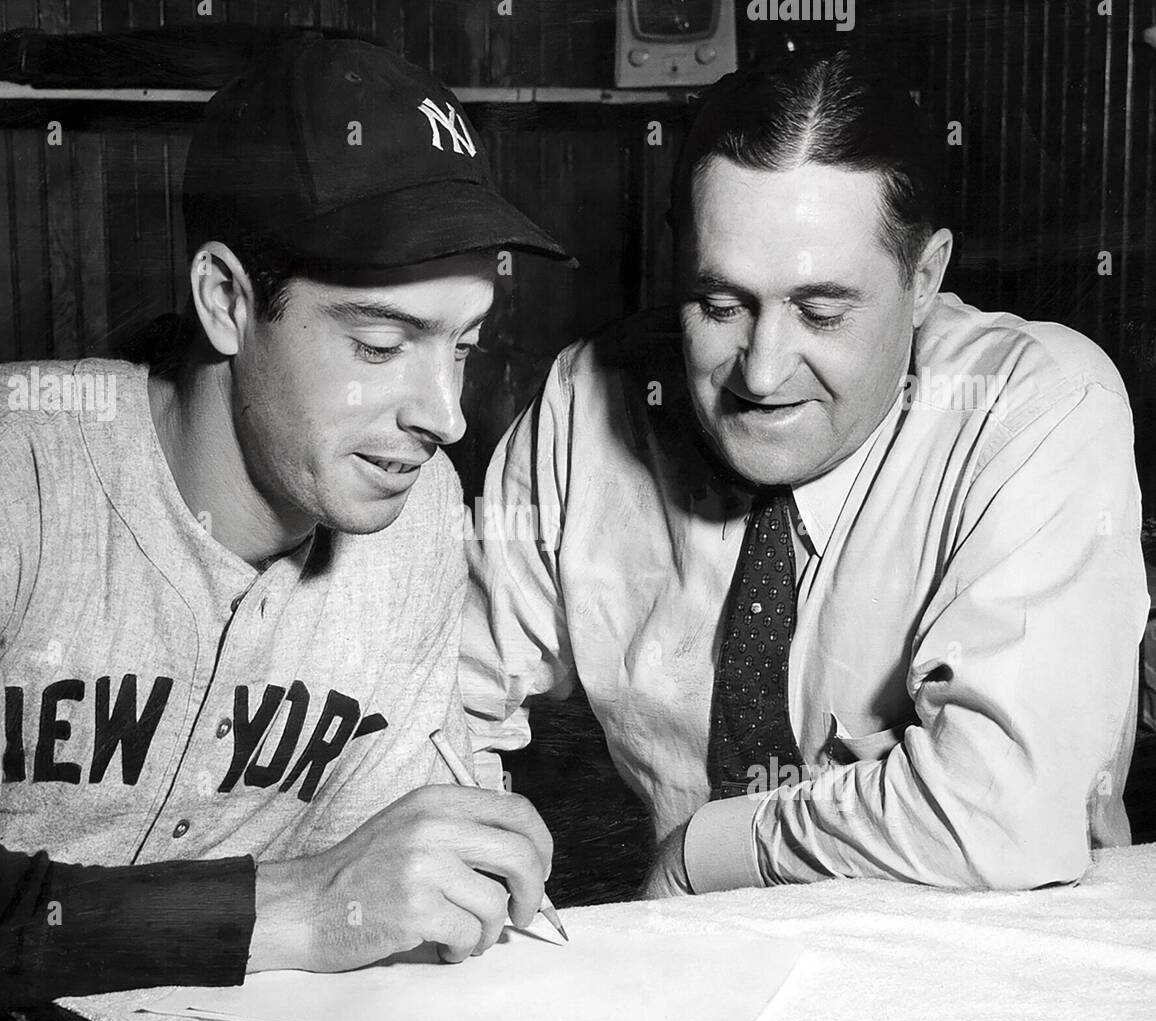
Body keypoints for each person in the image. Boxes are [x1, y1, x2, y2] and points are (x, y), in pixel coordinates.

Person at [0, 36, 571, 1021]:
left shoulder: (419, 512)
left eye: (463, 346)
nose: (444, 414)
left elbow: (385, 901)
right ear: (227, 301)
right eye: (379, 344)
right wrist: (306, 906)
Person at [460, 49, 1150, 898]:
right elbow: (442, 698)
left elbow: (996, 815)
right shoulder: (585, 401)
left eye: (821, 311)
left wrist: (701, 852)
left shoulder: (1037, 402)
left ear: (925, 275)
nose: (760, 372)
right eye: (720, 305)